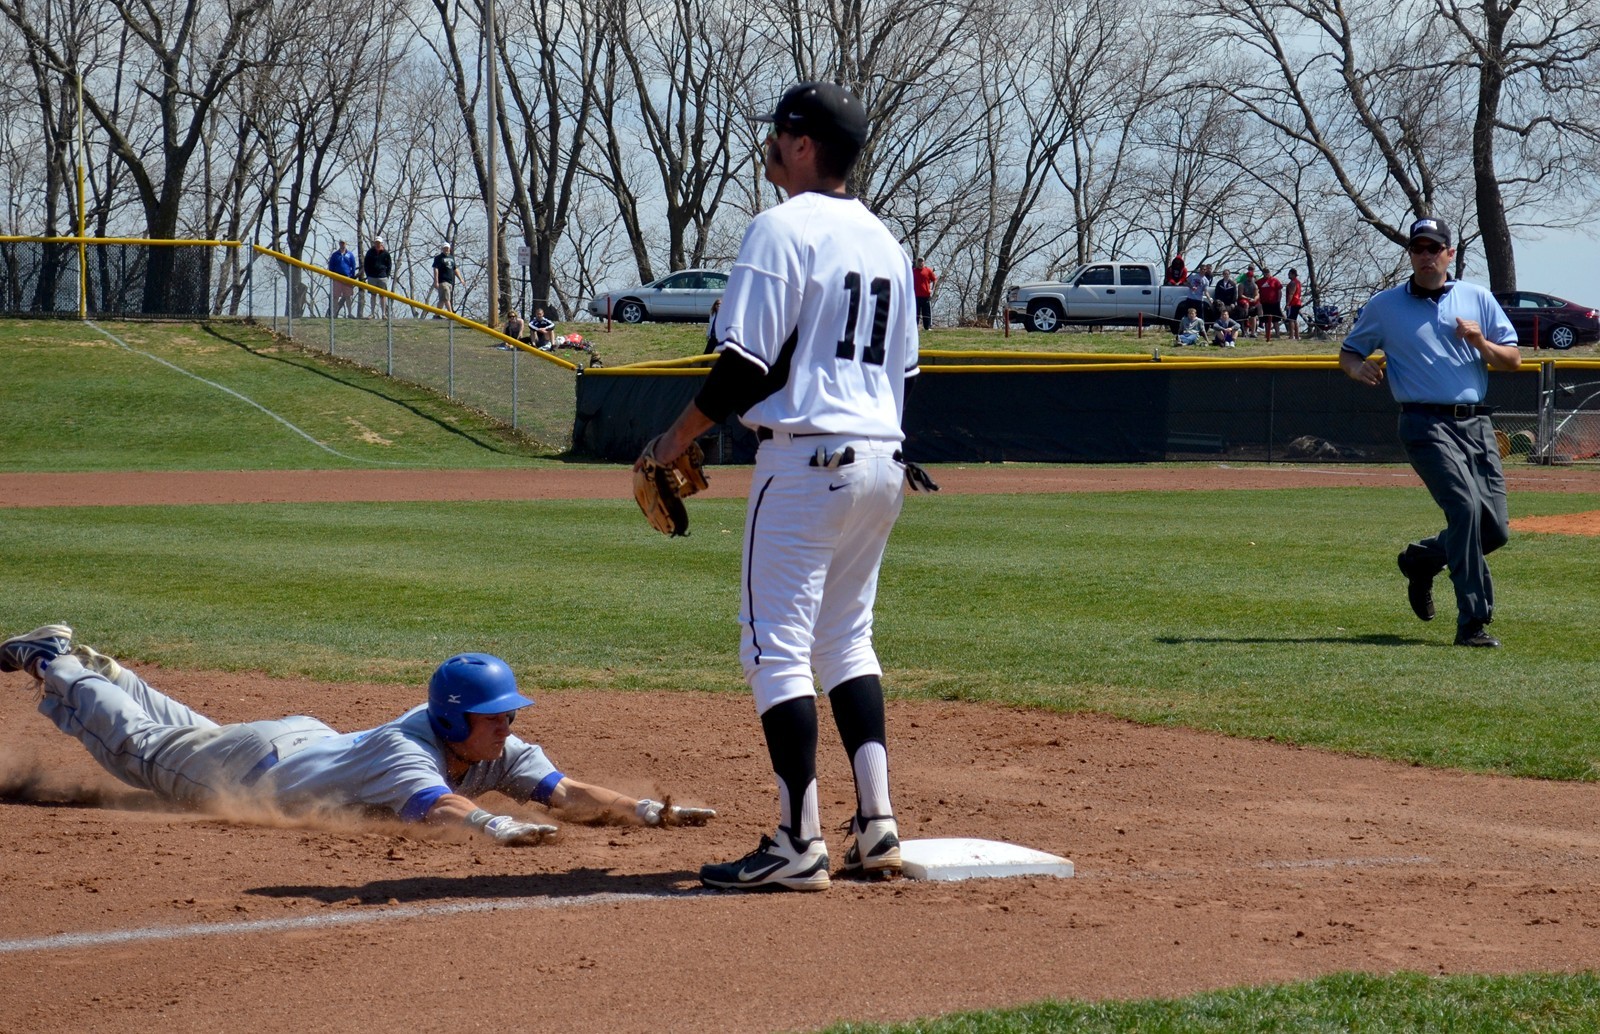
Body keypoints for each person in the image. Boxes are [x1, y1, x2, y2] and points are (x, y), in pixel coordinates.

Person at [635, 81, 919, 892]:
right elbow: (905, 372)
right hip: (881, 457)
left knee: (774, 647)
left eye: (777, 137)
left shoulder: (779, 229)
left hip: (805, 463)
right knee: (847, 640)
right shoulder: (885, 242)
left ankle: (798, 843)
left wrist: (673, 439)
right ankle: (876, 825)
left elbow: (746, 364)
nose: (768, 149)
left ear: (802, 147)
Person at [0, 624, 716, 836]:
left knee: (185, 737)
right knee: (147, 751)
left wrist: (648, 811)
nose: (509, 727)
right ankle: (54, 658)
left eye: (509, 717)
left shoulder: (492, 745)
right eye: (497, 717)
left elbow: (565, 793)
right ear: (454, 719)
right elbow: (442, 806)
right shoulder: (408, 754)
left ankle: (114, 677)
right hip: (254, 773)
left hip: (298, 743)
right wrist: (494, 828)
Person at [1339, 217, 1521, 647]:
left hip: (1475, 423)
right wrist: (1356, 368)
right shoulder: (1385, 305)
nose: (1426, 255)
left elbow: (1511, 359)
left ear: (1449, 254)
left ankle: (1421, 560)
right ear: (1411, 255)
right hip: (1424, 423)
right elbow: (1348, 352)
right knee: (1464, 510)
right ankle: (1473, 622)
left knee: (1495, 531)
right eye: (1418, 248)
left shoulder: (1476, 297)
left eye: (1433, 248)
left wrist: (1481, 343)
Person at [362, 237, 393, 319]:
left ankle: (383, 314)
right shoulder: (370, 252)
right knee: (373, 295)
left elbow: (389, 265)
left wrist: (387, 275)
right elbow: (366, 264)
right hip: (372, 277)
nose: (377, 244)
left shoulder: (386, 253)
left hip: (382, 277)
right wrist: (368, 274)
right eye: (376, 242)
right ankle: (372, 313)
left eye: (379, 242)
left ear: (381, 243)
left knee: (383, 295)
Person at [328, 240, 358, 318]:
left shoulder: (350, 254)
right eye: (341, 243)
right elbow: (331, 266)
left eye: (343, 243)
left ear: (346, 244)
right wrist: (332, 275)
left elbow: (353, 265)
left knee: (348, 296)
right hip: (337, 278)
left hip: (347, 278)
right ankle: (334, 313)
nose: (342, 245)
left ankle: (350, 313)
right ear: (339, 244)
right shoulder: (335, 255)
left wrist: (352, 276)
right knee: (336, 296)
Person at [432, 243, 460, 316]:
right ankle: (451, 315)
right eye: (445, 248)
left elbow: (455, 269)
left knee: (442, 300)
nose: (446, 249)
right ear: (442, 249)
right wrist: (436, 281)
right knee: (447, 298)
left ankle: (436, 315)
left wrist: (461, 279)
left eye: (447, 248)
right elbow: (435, 269)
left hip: (450, 282)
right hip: (442, 281)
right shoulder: (438, 258)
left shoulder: (451, 257)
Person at [1257, 267, 1284, 338]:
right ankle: (1267, 334)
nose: (1266, 274)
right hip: (1264, 303)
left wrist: (1278, 300)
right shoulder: (1259, 282)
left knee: (1275, 320)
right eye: (1265, 272)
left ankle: (1277, 334)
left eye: (1267, 272)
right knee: (1266, 320)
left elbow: (1279, 291)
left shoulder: (1275, 280)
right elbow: (1256, 291)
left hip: (1274, 303)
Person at [912, 257, 936, 331]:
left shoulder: (928, 271)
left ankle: (927, 327)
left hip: (926, 295)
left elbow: (934, 279)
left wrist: (932, 289)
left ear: (924, 262)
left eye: (921, 261)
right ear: (917, 263)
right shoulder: (913, 271)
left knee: (926, 312)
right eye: (919, 261)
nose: (920, 263)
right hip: (916, 295)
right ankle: (914, 327)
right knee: (916, 312)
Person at [1237, 266, 1261, 337]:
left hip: (1251, 300)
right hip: (1243, 300)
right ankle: (1246, 317)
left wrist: (1255, 299)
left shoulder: (1255, 285)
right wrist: (1247, 298)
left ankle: (1259, 323)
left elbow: (1257, 295)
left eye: (1251, 277)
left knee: (1259, 305)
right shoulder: (1242, 284)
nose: (1250, 278)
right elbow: (1240, 295)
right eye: (1249, 276)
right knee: (1246, 304)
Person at [1285, 268, 1304, 340]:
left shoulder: (1293, 283)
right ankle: (1297, 336)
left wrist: (1287, 304)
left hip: (1293, 303)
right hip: (1297, 302)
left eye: (1289, 274)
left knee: (1291, 319)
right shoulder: (1298, 282)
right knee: (1294, 319)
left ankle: (1292, 336)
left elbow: (1291, 294)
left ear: (1293, 274)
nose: (1288, 275)